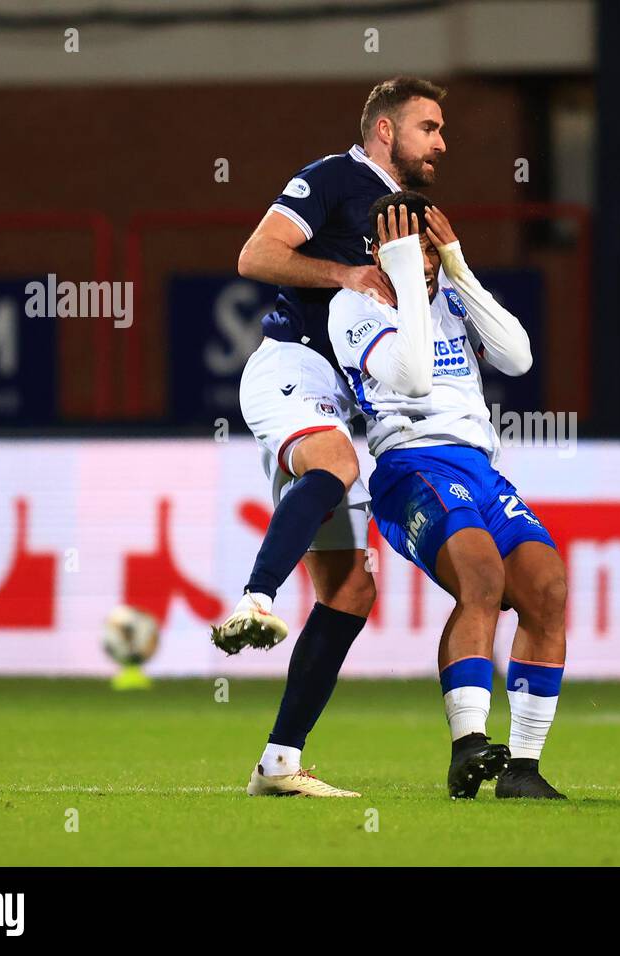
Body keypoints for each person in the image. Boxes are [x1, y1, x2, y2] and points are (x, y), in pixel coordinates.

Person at [212, 77, 447, 798]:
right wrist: (346, 272)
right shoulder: (335, 177)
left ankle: (279, 763)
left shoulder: (412, 216)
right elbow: (256, 256)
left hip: (341, 398)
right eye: (429, 128)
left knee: (350, 591)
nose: (442, 142)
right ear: (385, 131)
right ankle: (255, 597)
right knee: (336, 463)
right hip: (291, 366)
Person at [329, 193, 569, 800]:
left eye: (431, 245)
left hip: (480, 465)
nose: (425, 258)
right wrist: (406, 274)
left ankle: (522, 768)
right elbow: (411, 377)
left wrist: (460, 267)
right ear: (377, 248)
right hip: (411, 464)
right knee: (481, 576)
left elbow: (518, 357)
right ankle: (468, 746)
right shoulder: (352, 308)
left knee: (546, 587)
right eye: (412, 246)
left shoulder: (453, 296)